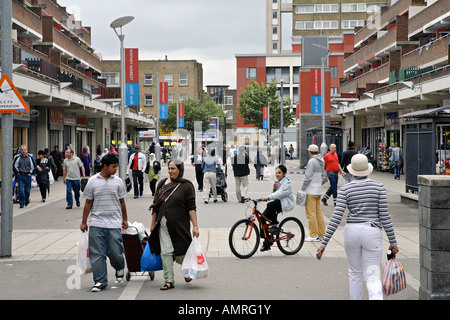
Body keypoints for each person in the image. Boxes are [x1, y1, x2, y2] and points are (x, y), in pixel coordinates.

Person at [316, 154, 399, 300]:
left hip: (352, 231)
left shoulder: (345, 190)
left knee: (354, 273)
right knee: (372, 275)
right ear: (368, 169)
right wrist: (393, 242)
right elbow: (385, 217)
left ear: (351, 170)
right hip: (372, 231)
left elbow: (336, 217)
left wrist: (324, 243)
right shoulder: (378, 187)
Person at [80, 153, 128, 292]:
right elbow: (88, 202)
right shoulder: (92, 181)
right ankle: (100, 281)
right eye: (113, 167)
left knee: (116, 252)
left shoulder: (118, 181)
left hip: (114, 223)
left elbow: (122, 202)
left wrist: (124, 219)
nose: (115, 169)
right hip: (96, 222)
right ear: (105, 166)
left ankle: (119, 266)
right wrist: (84, 222)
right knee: (97, 253)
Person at [148, 159, 199, 290]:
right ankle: (169, 280)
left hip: (180, 225)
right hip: (163, 224)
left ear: (180, 170)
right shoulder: (161, 184)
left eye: (173, 169)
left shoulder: (186, 186)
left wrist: (195, 226)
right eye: (169, 168)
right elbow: (155, 206)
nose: (170, 171)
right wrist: (153, 223)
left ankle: (187, 270)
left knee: (181, 251)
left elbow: (191, 207)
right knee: (165, 252)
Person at [259, 164, 294, 252]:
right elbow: (274, 193)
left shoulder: (286, 183)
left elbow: (280, 194)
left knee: (270, 205)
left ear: (284, 174)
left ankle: (275, 224)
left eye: (279, 173)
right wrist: (274, 190)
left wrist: (268, 198)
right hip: (277, 202)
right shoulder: (277, 182)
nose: (277, 174)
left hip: (285, 203)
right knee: (262, 219)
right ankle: (267, 242)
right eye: (276, 173)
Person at [301, 144, 327, 242]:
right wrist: (319, 184)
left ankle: (313, 234)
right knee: (318, 212)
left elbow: (307, 177)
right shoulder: (322, 160)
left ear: (310, 151)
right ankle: (322, 234)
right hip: (318, 190)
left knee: (310, 213)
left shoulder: (311, 161)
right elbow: (324, 176)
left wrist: (303, 188)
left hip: (310, 190)